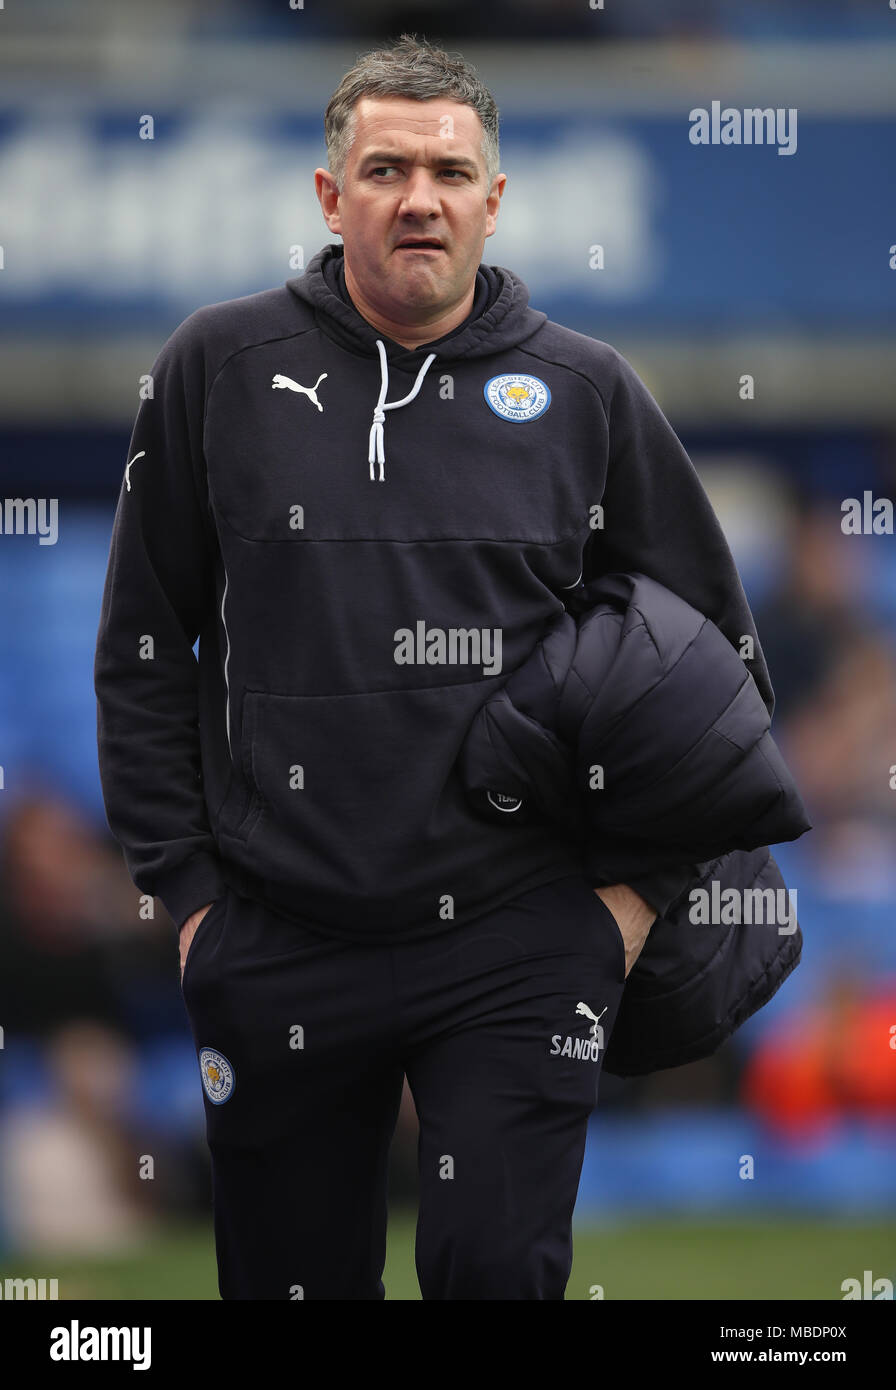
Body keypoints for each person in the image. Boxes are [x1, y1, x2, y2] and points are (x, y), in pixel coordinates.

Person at [94, 34, 775, 1299]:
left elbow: (718, 671)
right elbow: (141, 645)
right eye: (387, 167)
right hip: (278, 929)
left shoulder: (588, 392)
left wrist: (620, 910)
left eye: (450, 172)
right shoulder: (216, 370)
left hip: (519, 937)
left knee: (494, 1275)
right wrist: (189, 899)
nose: (421, 197)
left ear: (494, 201)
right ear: (328, 194)